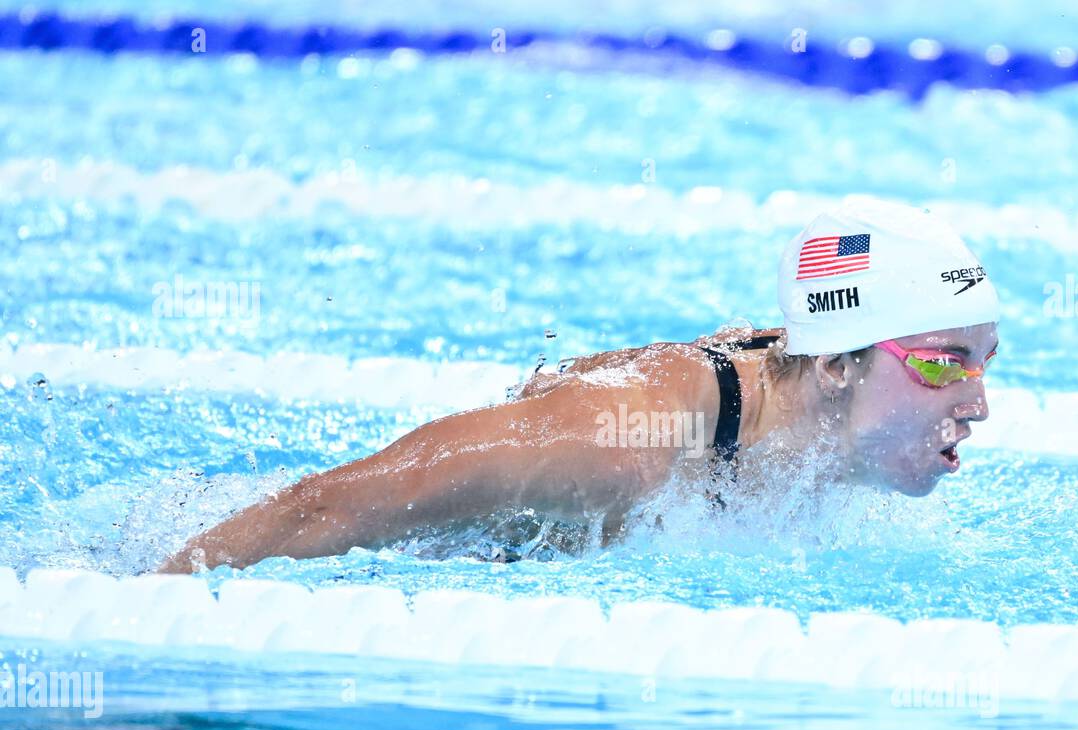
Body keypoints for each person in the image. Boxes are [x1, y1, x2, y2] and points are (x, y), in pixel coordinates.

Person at [156, 197, 999, 573]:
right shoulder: (621, 445)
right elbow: (329, 508)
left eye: (985, 359)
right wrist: (136, 602)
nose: (977, 400)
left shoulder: (816, 418)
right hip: (237, 536)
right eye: (943, 360)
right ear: (836, 366)